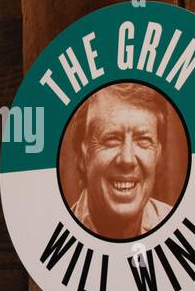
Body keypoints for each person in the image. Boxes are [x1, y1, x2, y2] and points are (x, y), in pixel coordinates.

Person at [69, 83, 173, 239]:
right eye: (111, 139)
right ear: (83, 156)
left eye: (143, 140)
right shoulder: (48, 238)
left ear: (157, 154)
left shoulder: (179, 231)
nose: (127, 159)